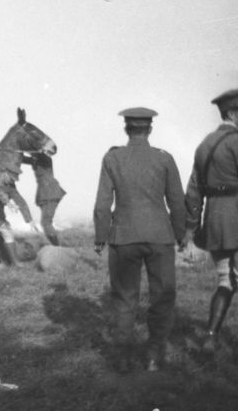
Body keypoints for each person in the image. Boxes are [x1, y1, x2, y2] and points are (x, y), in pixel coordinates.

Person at [182, 86, 238, 375]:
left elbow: (193, 192)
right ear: (233, 113)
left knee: (224, 281)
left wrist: (192, 230)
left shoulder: (204, 144)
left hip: (216, 223)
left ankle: (209, 338)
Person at [93, 107, 186, 374]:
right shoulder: (164, 158)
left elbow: (102, 204)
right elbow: (177, 202)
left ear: (126, 129)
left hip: (123, 237)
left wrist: (101, 236)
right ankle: (154, 356)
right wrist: (180, 235)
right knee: (162, 296)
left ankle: (123, 359)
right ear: (150, 129)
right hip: (160, 237)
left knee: (124, 298)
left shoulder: (113, 158)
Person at [21, 152, 66, 245]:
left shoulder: (44, 158)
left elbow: (37, 153)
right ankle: (57, 246)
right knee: (46, 222)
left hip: (49, 191)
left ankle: (57, 247)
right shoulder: (36, 159)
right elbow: (23, 159)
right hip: (45, 191)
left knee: (46, 222)